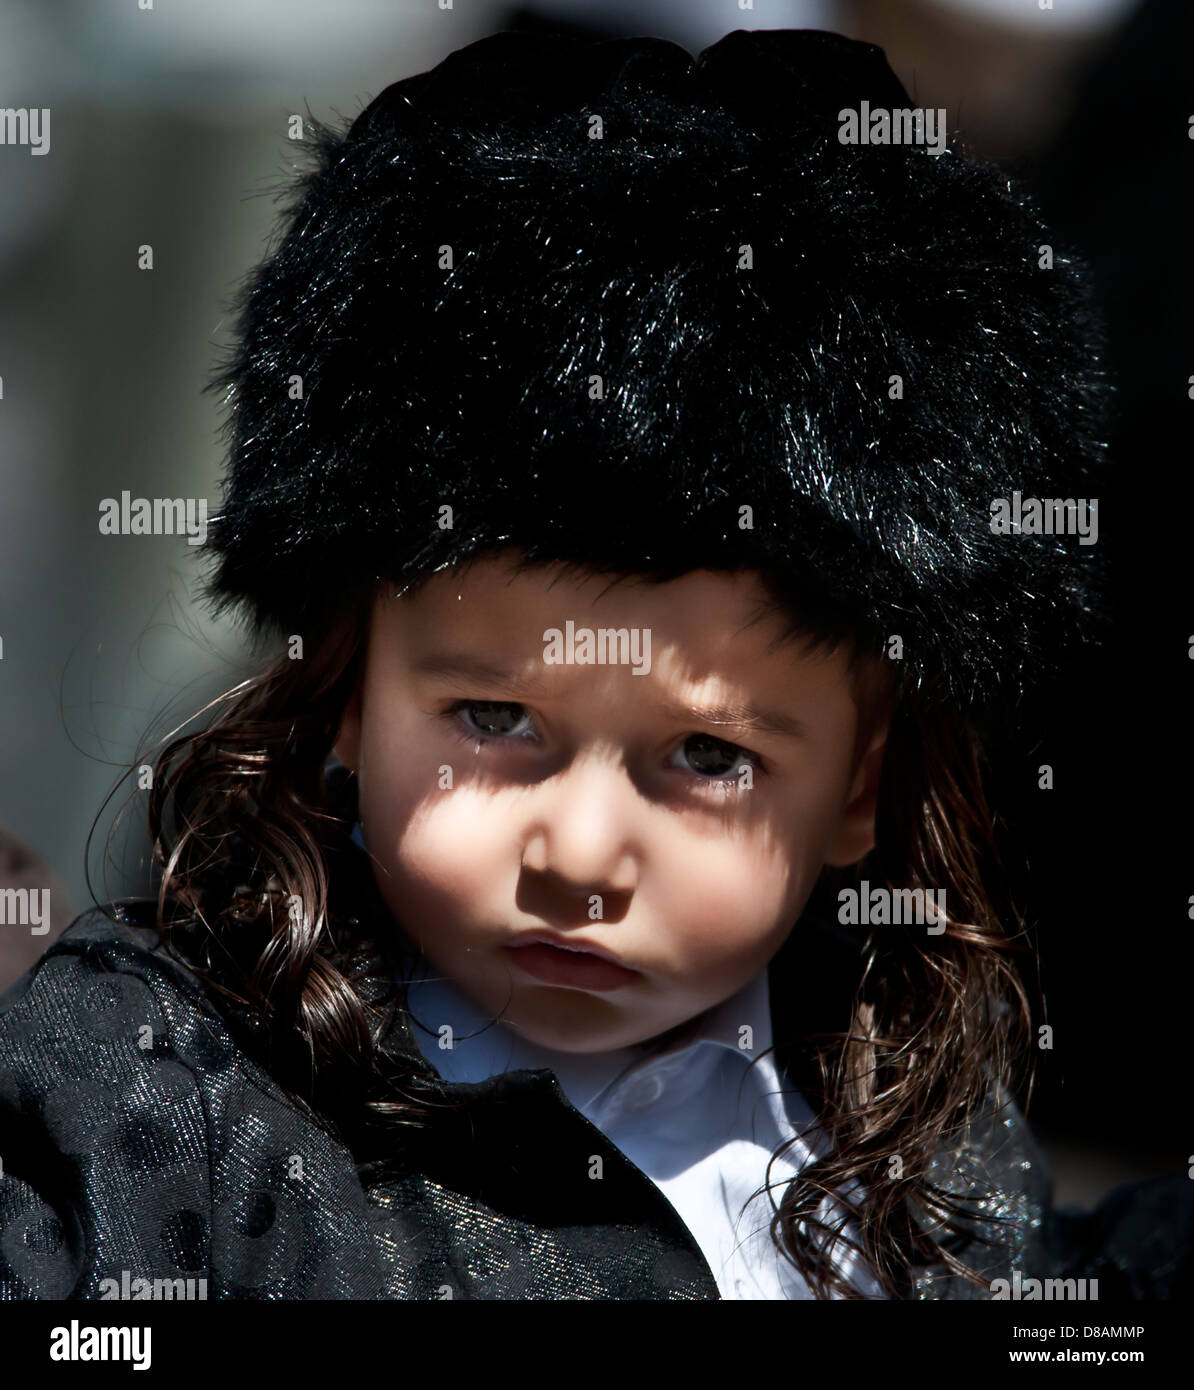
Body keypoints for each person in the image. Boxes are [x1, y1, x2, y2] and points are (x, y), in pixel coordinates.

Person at [1, 28, 1186, 1302]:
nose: (576, 854)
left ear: (859, 784)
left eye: (709, 755)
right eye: (496, 716)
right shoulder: (158, 1104)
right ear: (344, 688)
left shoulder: (910, 1151)